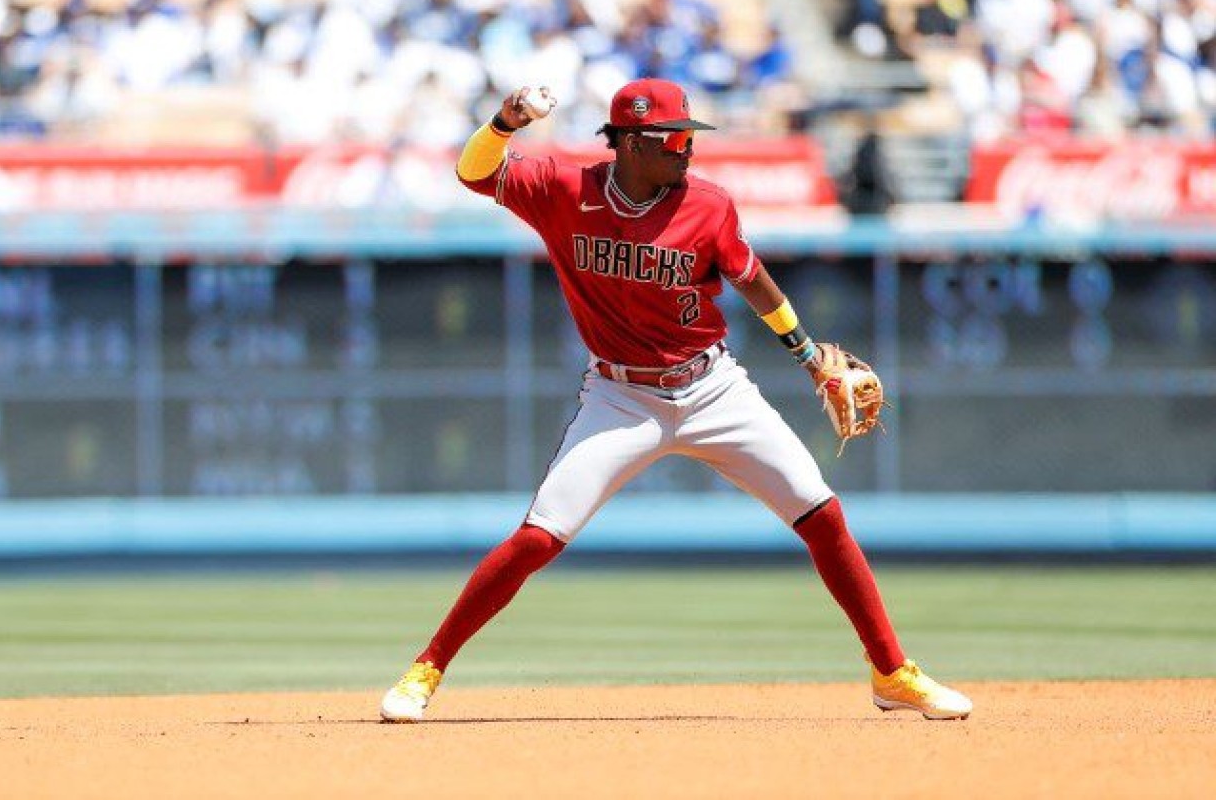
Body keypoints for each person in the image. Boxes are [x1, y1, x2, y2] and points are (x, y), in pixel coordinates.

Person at [381, 78, 972, 723]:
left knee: (821, 512)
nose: (688, 150)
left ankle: (892, 671)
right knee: (539, 536)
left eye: (691, 137)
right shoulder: (562, 189)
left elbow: (755, 283)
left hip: (713, 387)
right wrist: (503, 122)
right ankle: (425, 669)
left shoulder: (708, 205)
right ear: (630, 142)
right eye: (675, 139)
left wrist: (806, 356)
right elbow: (473, 174)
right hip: (620, 396)